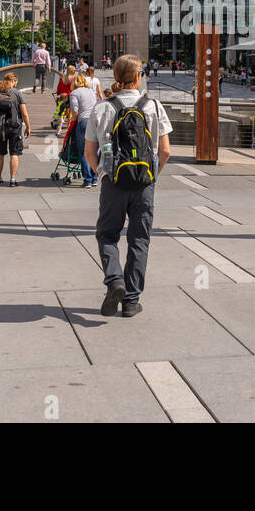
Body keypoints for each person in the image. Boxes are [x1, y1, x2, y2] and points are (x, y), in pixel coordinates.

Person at [85, 54, 173, 318]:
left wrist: (101, 173)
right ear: (138, 77)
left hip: (113, 182)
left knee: (107, 235)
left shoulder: (102, 108)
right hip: (144, 183)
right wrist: (152, 176)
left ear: (115, 77)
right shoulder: (154, 105)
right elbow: (166, 151)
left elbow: (90, 151)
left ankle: (115, 281)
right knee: (139, 239)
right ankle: (132, 301)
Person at [0, 73, 30, 187]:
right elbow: (24, 113)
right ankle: (12, 179)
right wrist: (28, 127)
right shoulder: (17, 93)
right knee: (14, 154)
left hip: (0, 128)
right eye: (16, 82)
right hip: (14, 127)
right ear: (13, 81)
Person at [67, 73, 99, 188]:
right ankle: (95, 178)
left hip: (84, 122)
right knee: (94, 151)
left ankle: (88, 180)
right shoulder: (91, 92)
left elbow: (75, 111)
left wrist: (73, 122)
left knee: (84, 152)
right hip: (95, 122)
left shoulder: (74, 93)